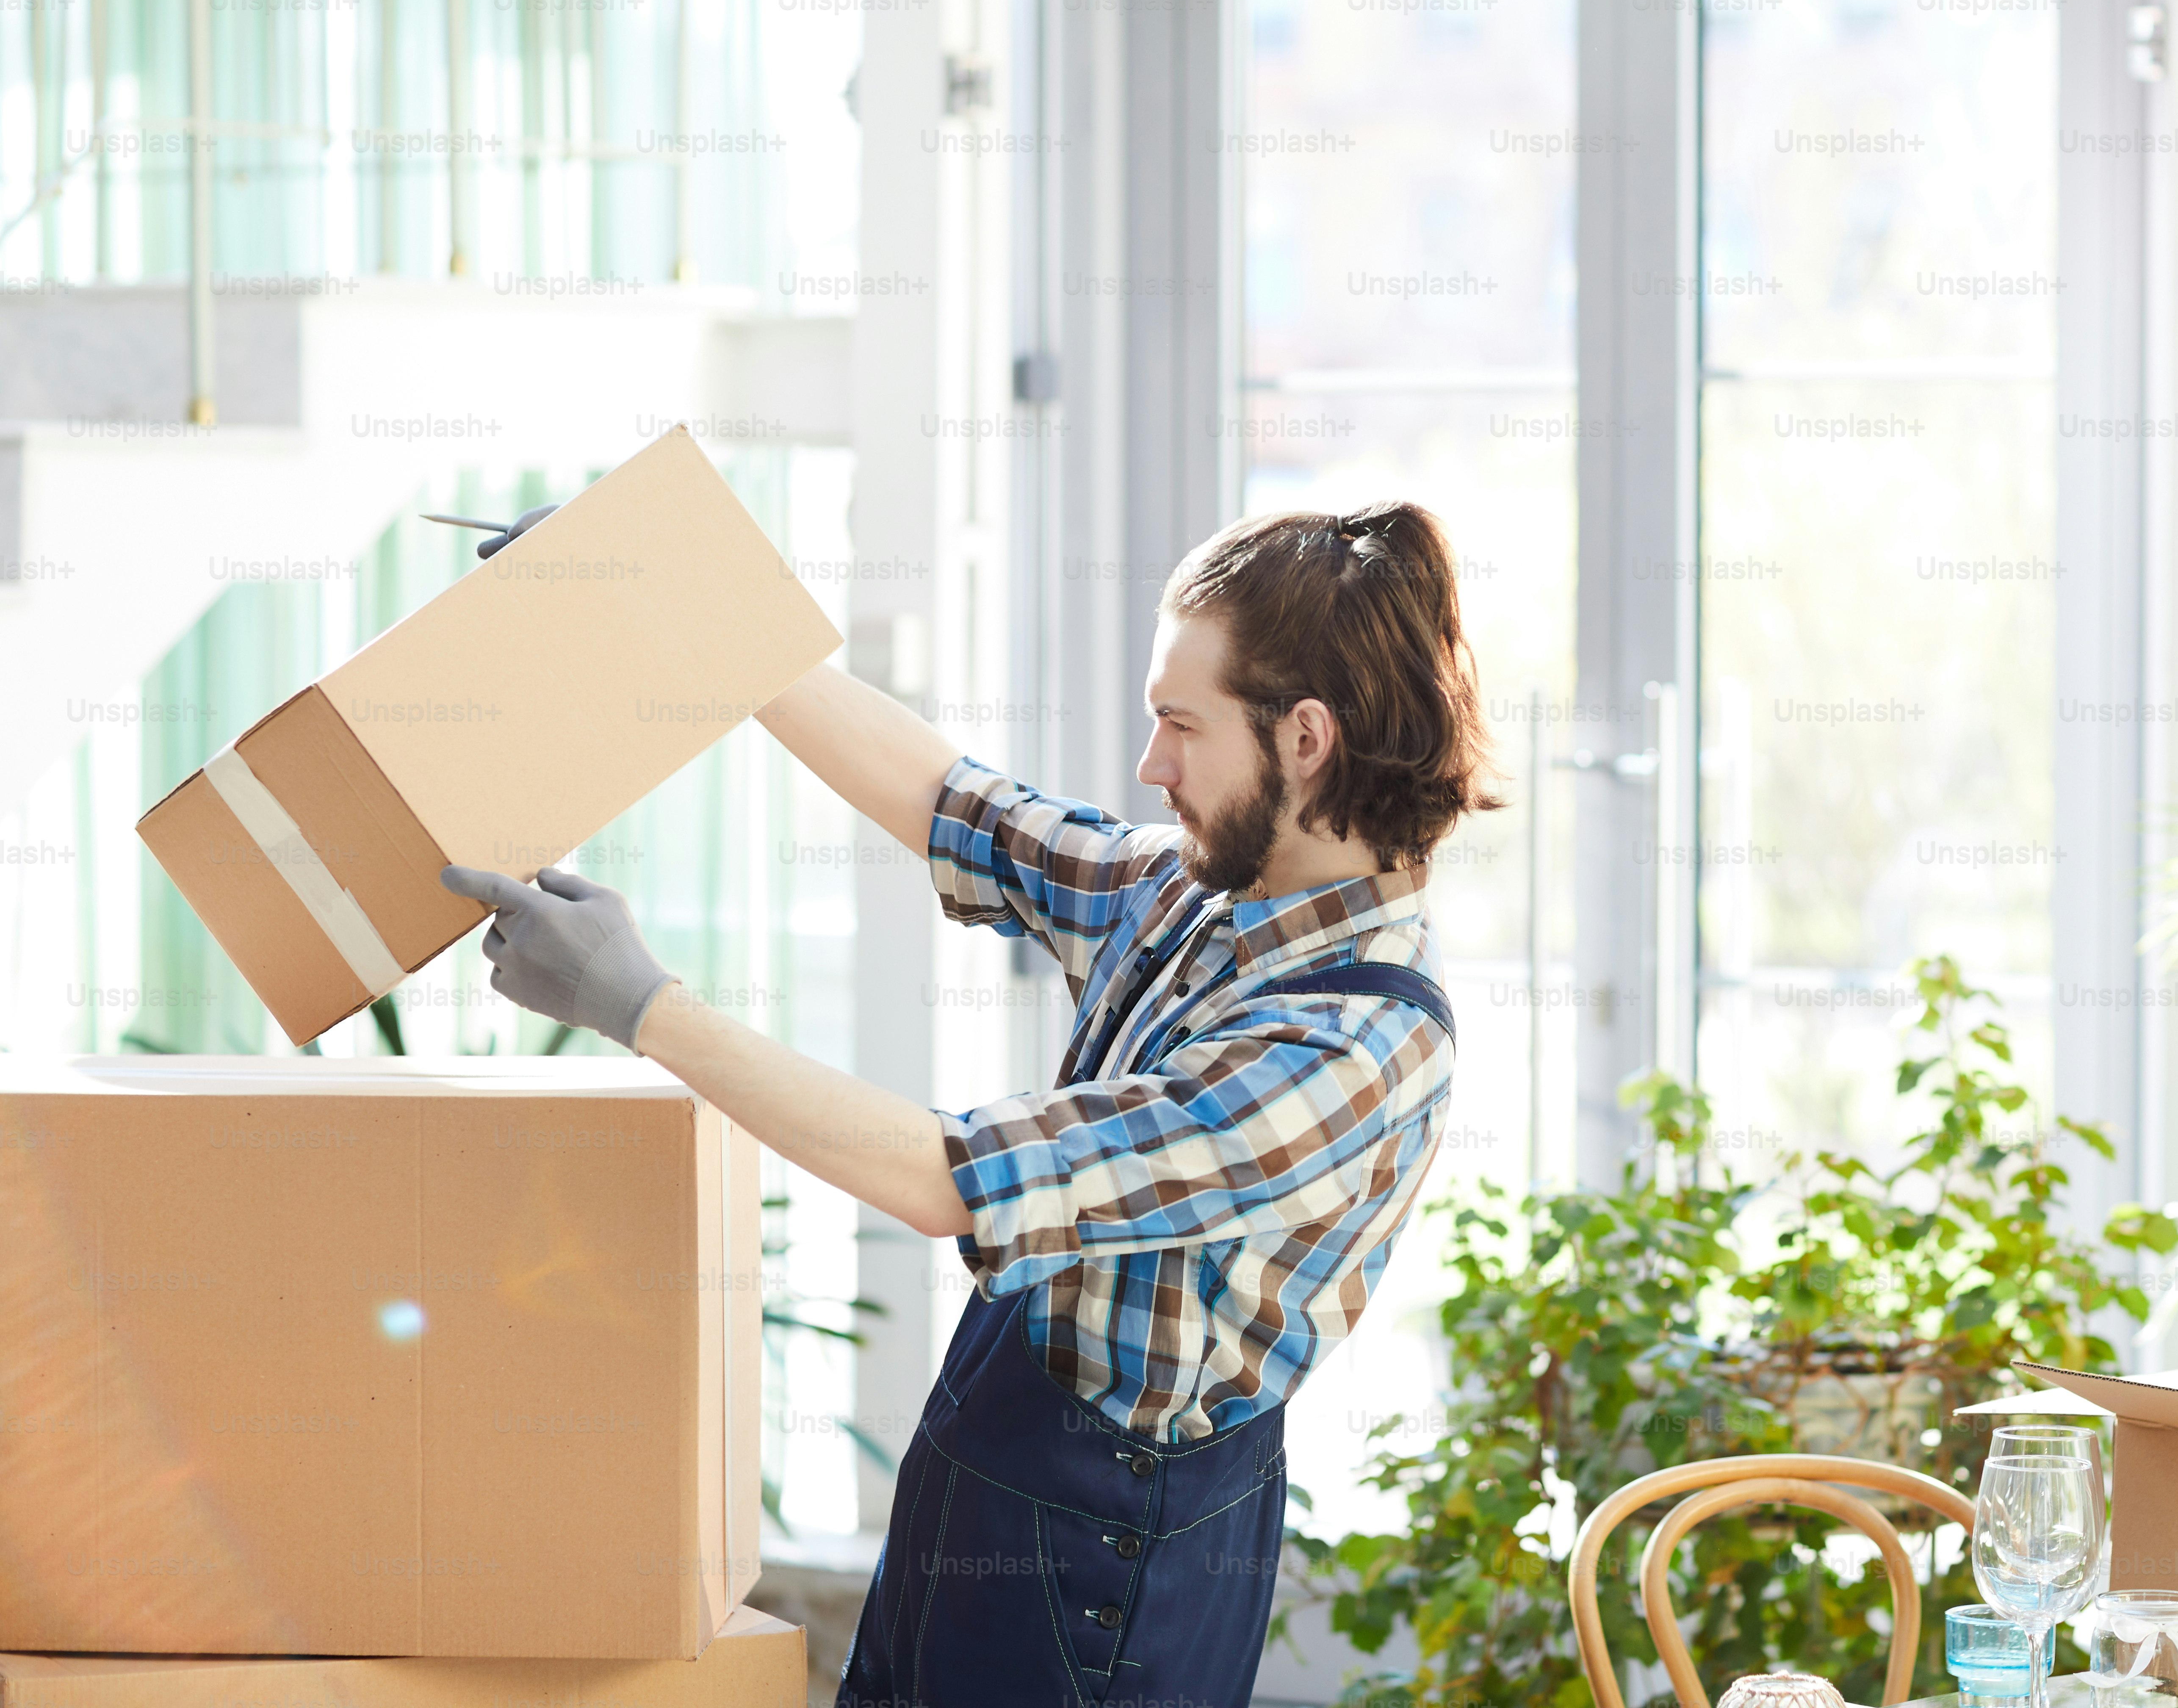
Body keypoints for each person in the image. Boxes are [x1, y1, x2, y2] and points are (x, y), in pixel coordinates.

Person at [441, 502, 1500, 1708]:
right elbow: (958, 804)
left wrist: (640, 1006)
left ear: (1306, 738)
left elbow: (950, 1179)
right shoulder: (1201, 900)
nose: (1152, 767)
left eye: (1179, 725)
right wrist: (691, 616)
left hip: (1105, 1592)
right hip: (978, 1513)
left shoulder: (1349, 1052)